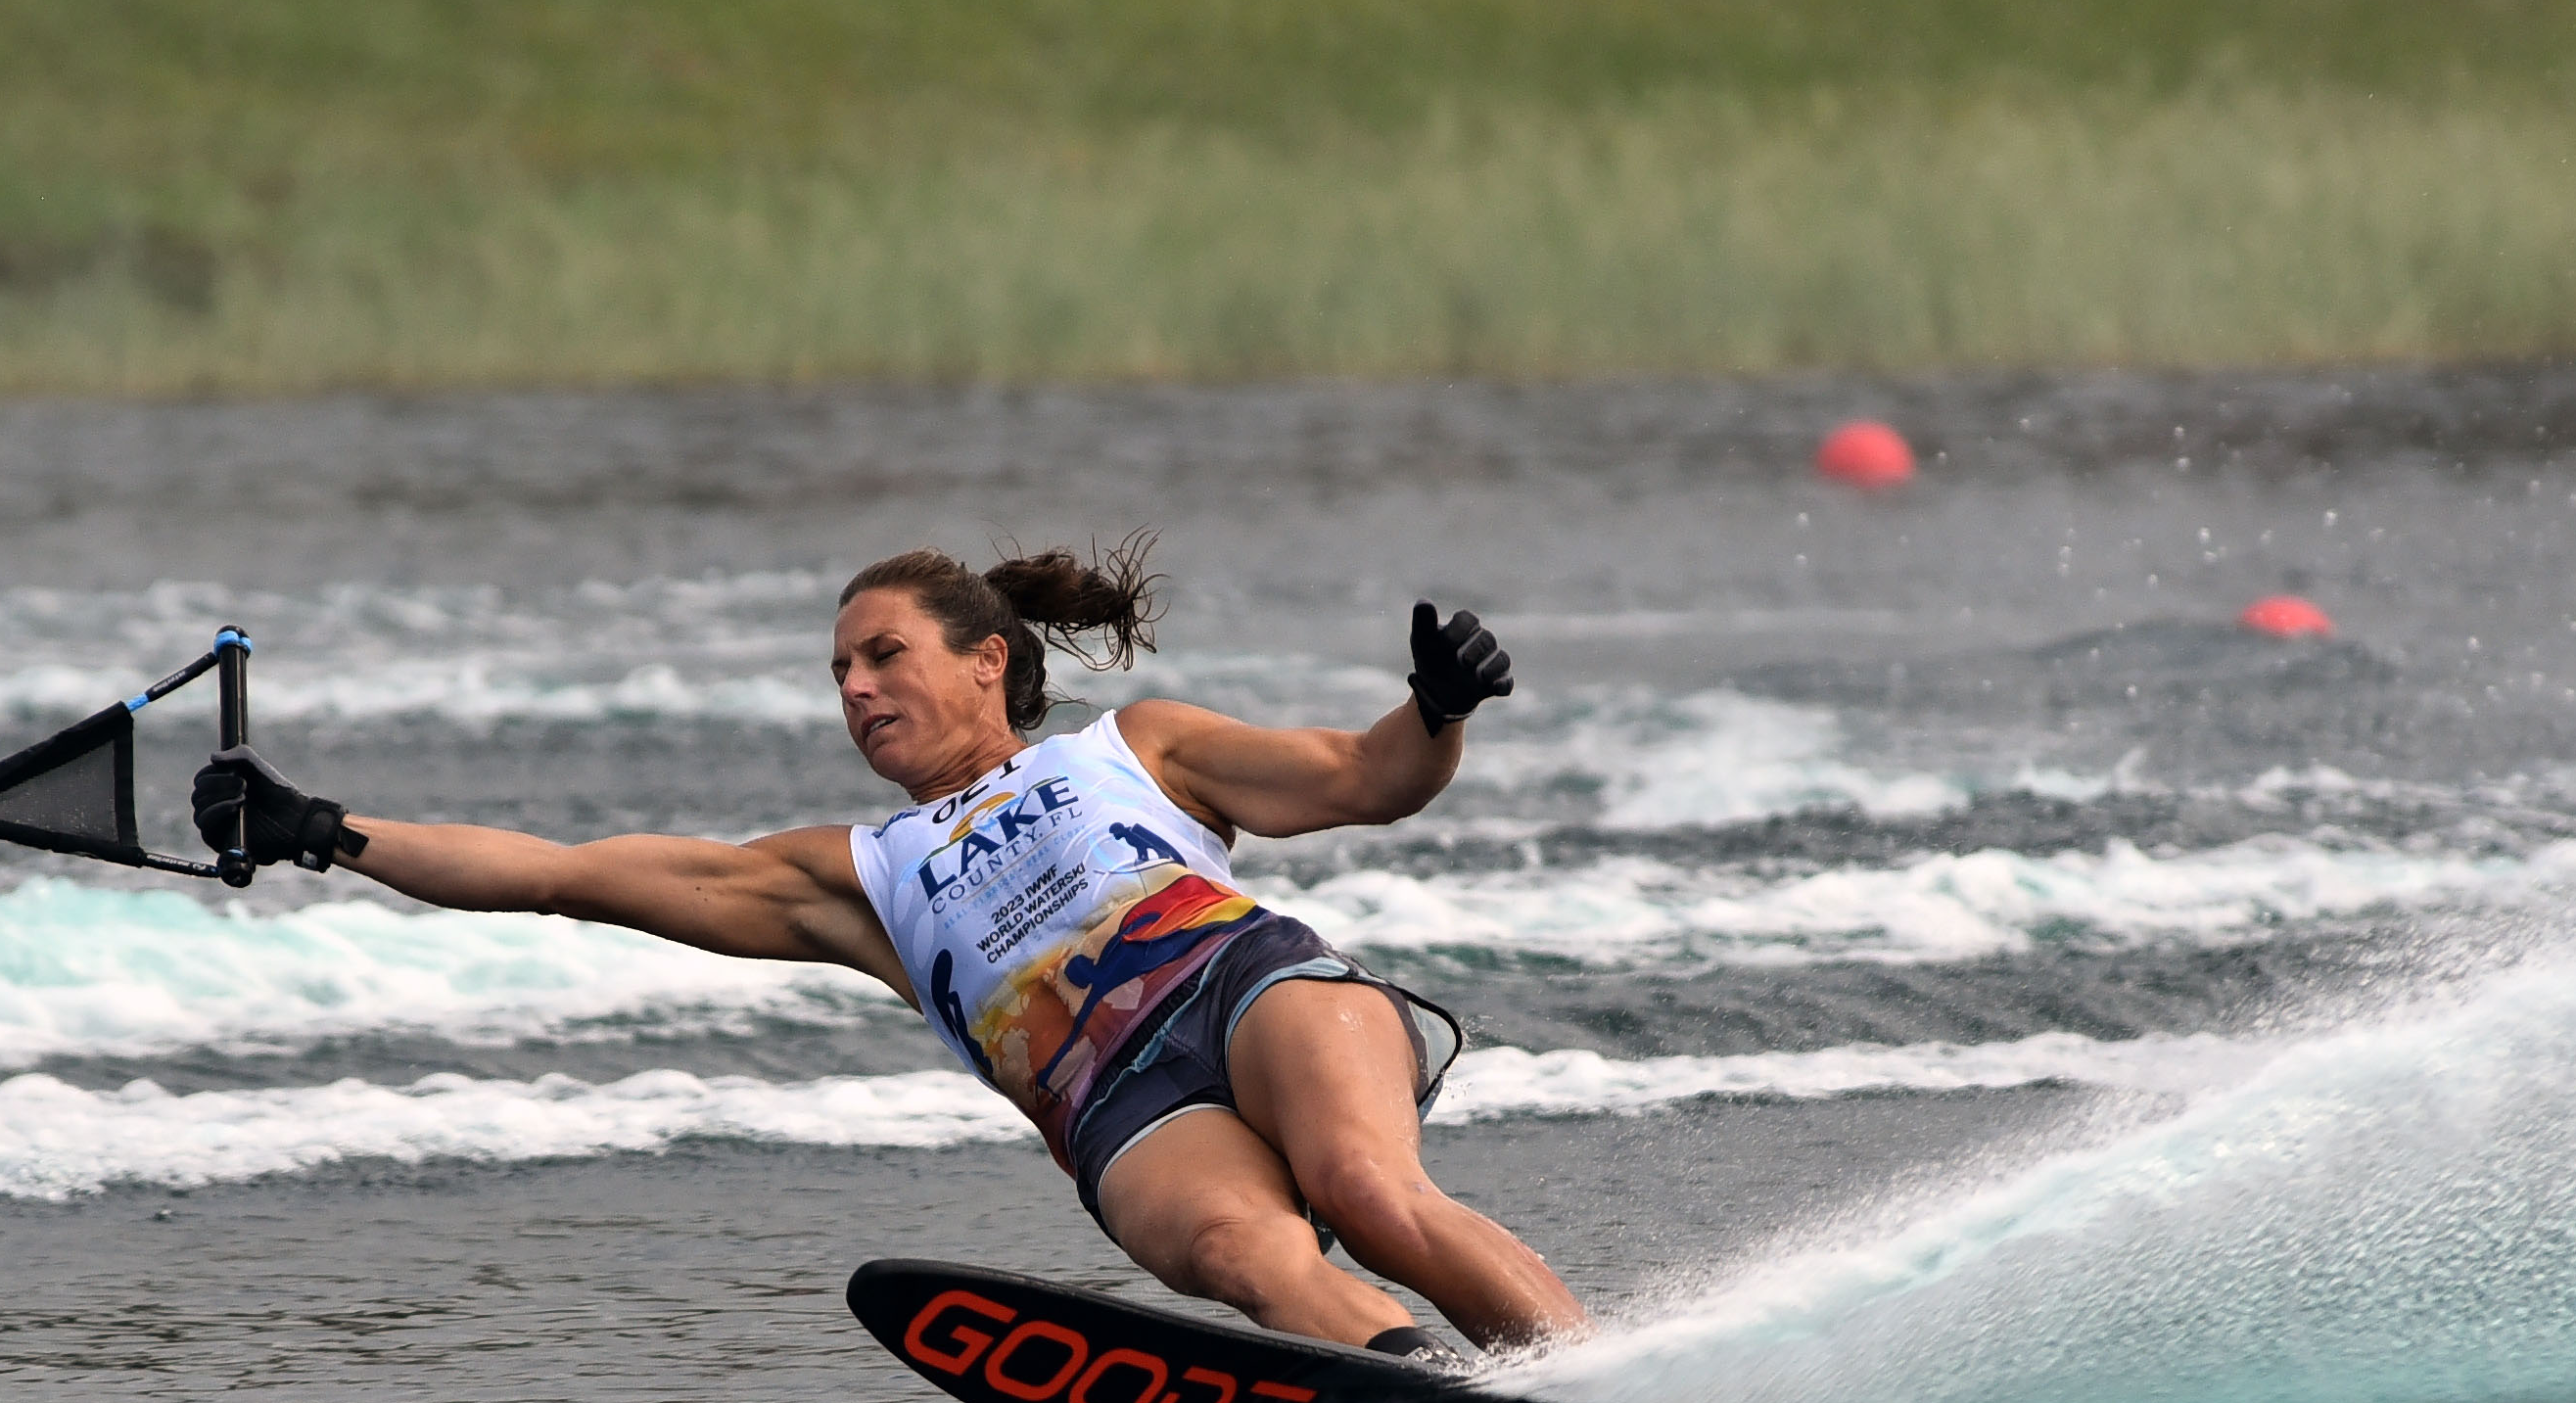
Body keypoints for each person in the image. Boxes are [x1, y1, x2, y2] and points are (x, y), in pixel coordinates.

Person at [191, 541, 1589, 1362]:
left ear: (986, 660)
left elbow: (1364, 777)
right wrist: (328, 830)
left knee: (1366, 1187)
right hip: (1113, 1101)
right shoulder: (854, 878)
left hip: (1240, 987)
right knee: (1240, 1250)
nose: (856, 690)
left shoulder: (1135, 748)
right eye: (839, 677)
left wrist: (1437, 708)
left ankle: (1599, 1377)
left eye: (882, 656)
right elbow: (564, 875)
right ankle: (1433, 1402)